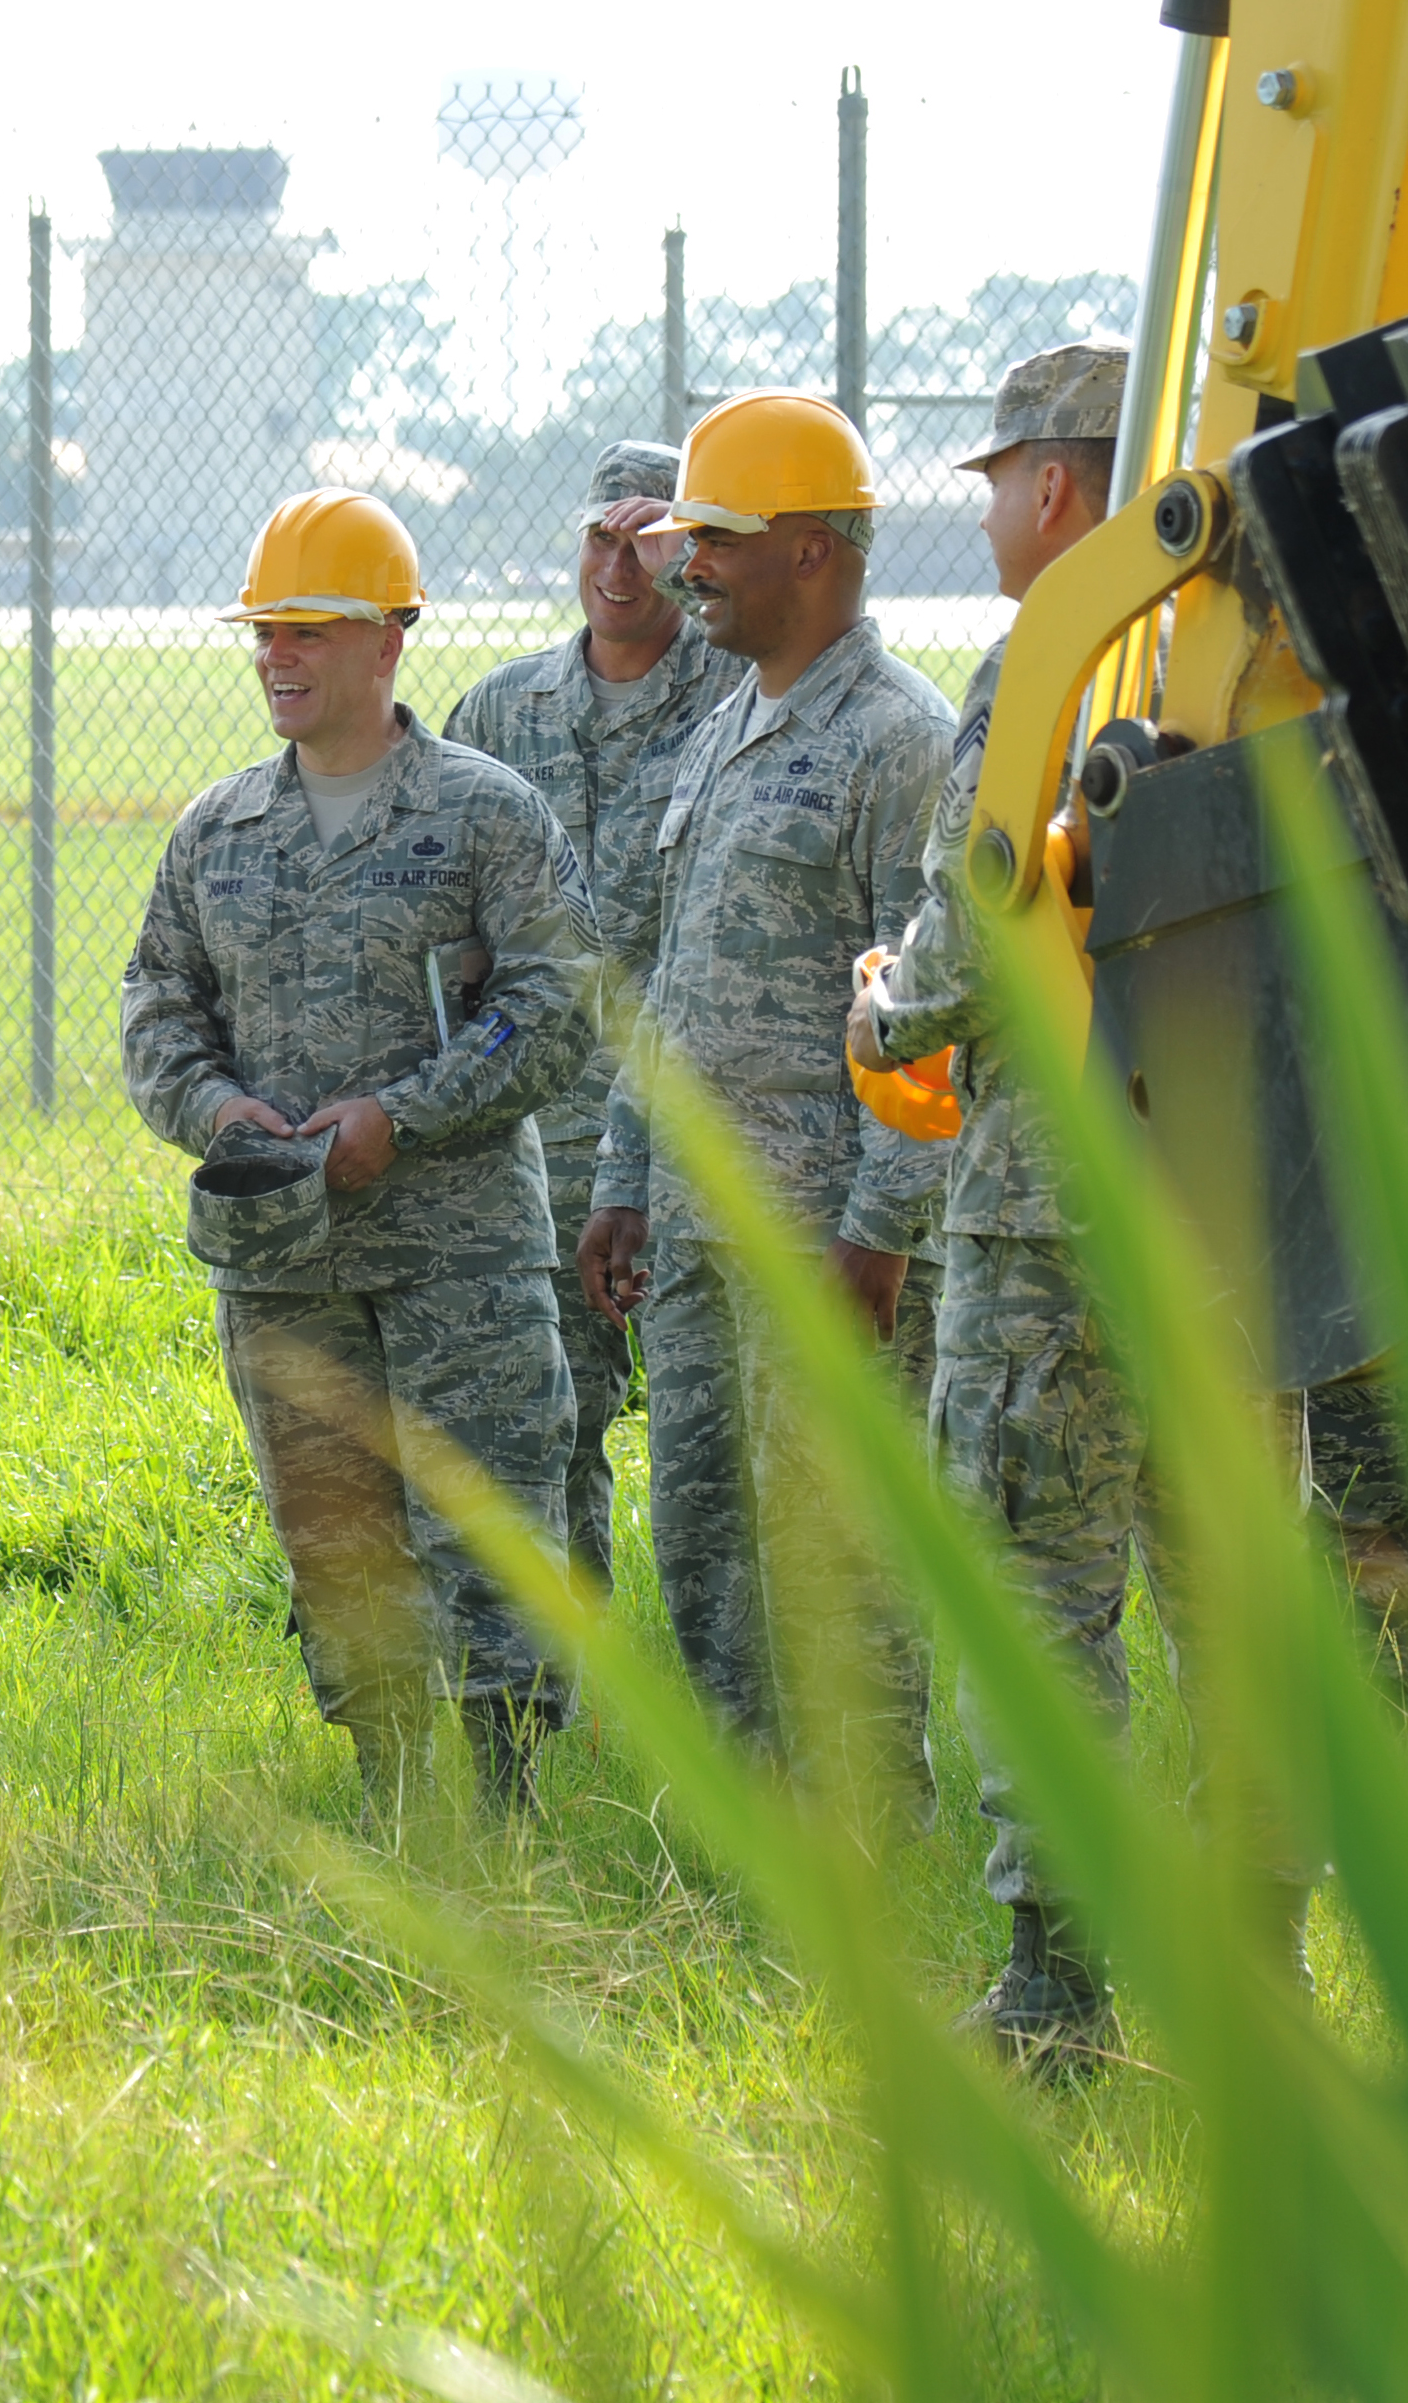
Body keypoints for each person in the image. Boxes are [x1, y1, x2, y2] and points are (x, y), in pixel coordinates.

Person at [123, 488, 601, 1811]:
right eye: (264, 632)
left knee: (492, 1533)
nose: (276, 656)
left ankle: (508, 1808)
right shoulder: (217, 831)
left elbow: (559, 1000)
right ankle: (390, 1796)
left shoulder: (484, 814)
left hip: (460, 1257)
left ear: (388, 640)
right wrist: (217, 1112)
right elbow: (157, 1002)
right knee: (335, 1546)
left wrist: (410, 1112)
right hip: (287, 1263)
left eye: (309, 631)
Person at [581, 393, 957, 1808]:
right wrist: (625, 1179)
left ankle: (871, 1838)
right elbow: (669, 978)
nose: (690, 567)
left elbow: (931, 1018)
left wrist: (882, 1232)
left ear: (811, 550)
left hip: (824, 1245)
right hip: (697, 1235)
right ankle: (762, 1841)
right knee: (707, 1549)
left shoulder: (900, 742)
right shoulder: (728, 722)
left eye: (719, 541)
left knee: (839, 1557)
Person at [850, 339, 1145, 2051]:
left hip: (1049, 1213)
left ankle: (1053, 1987)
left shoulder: (1048, 654)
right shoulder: (1242, 647)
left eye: (994, 488)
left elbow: (974, 923)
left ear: (1051, 483)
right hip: (1243, 1203)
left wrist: (884, 1011)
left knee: (1036, 1586)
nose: (983, 523)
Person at [441, 441, 740, 1594]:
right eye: (601, 539)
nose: (619, 568)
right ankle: (566, 1676)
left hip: (698, 1127)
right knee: (547, 1424)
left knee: (718, 1443)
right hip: (543, 1132)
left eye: (650, 543)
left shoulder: (738, 696)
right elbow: (441, 894)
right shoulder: (505, 710)